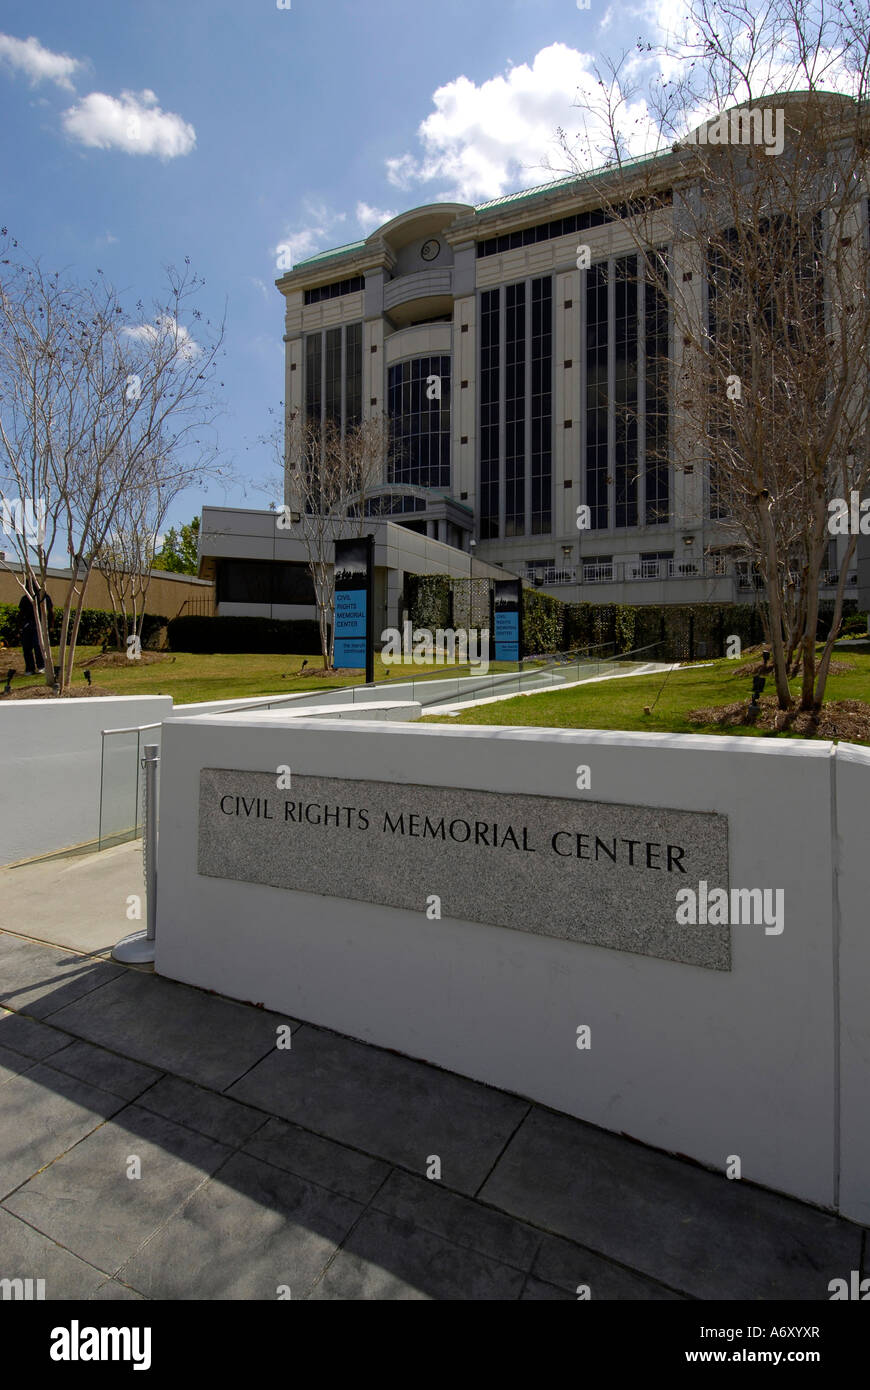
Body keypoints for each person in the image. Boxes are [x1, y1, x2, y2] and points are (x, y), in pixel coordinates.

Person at [19, 584, 53, 676]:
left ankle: (42, 666)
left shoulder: (44, 597)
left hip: (40, 624)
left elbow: (50, 612)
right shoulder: (25, 599)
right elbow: (21, 614)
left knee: (38, 645)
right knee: (26, 648)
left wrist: (50, 625)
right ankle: (29, 668)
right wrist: (21, 627)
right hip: (28, 625)